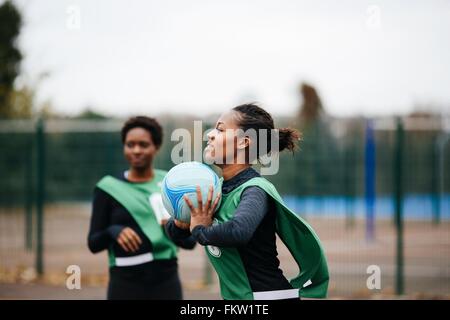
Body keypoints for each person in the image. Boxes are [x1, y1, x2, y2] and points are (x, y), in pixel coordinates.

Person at [165, 103, 329, 300]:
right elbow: (183, 237)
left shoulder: (255, 190)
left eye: (220, 129)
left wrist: (199, 229)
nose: (210, 134)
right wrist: (180, 224)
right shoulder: (216, 190)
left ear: (244, 142)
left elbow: (238, 231)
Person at [88, 116, 196, 300]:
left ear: (156, 147)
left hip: (166, 279)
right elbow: (94, 243)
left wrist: (173, 227)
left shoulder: (170, 184)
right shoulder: (108, 187)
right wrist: (114, 231)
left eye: (143, 145)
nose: (136, 150)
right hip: (125, 282)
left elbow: (189, 242)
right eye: (130, 145)